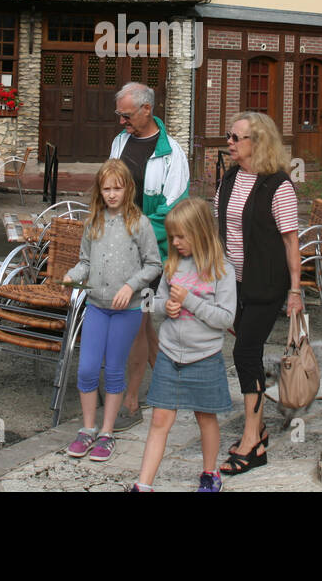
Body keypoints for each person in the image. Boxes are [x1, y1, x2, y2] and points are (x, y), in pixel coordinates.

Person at [214, 111, 303, 476]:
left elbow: (291, 241)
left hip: (266, 284)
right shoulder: (232, 177)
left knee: (245, 352)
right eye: (230, 137)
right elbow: (220, 225)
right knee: (246, 353)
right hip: (233, 282)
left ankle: (252, 441)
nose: (230, 143)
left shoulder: (278, 185)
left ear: (258, 142)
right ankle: (259, 428)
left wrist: (295, 290)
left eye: (237, 138)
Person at [131, 197, 235, 492]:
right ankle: (144, 484)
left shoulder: (221, 270)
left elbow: (226, 318)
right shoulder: (173, 265)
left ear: (201, 232)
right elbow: (153, 302)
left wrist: (189, 301)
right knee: (160, 419)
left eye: (180, 236)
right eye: (172, 236)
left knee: (205, 417)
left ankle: (210, 472)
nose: (174, 242)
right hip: (170, 357)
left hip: (205, 357)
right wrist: (166, 308)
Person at [63, 159, 161, 462]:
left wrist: (130, 286)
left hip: (127, 309)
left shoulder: (139, 223)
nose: (112, 194)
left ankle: (106, 432)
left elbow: (154, 265)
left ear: (127, 188)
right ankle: (88, 429)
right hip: (96, 305)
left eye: (117, 188)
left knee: (115, 369)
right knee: (88, 368)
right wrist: (72, 275)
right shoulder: (94, 221)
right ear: (100, 191)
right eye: (106, 189)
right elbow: (86, 262)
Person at [108, 81, 189, 430]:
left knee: (137, 319)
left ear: (146, 109)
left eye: (126, 115)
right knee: (140, 321)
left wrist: (135, 237)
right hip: (119, 245)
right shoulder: (121, 141)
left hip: (150, 251)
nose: (121, 122)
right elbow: (108, 187)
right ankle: (172, 386)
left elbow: (173, 211)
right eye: (119, 115)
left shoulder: (173, 154)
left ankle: (131, 398)